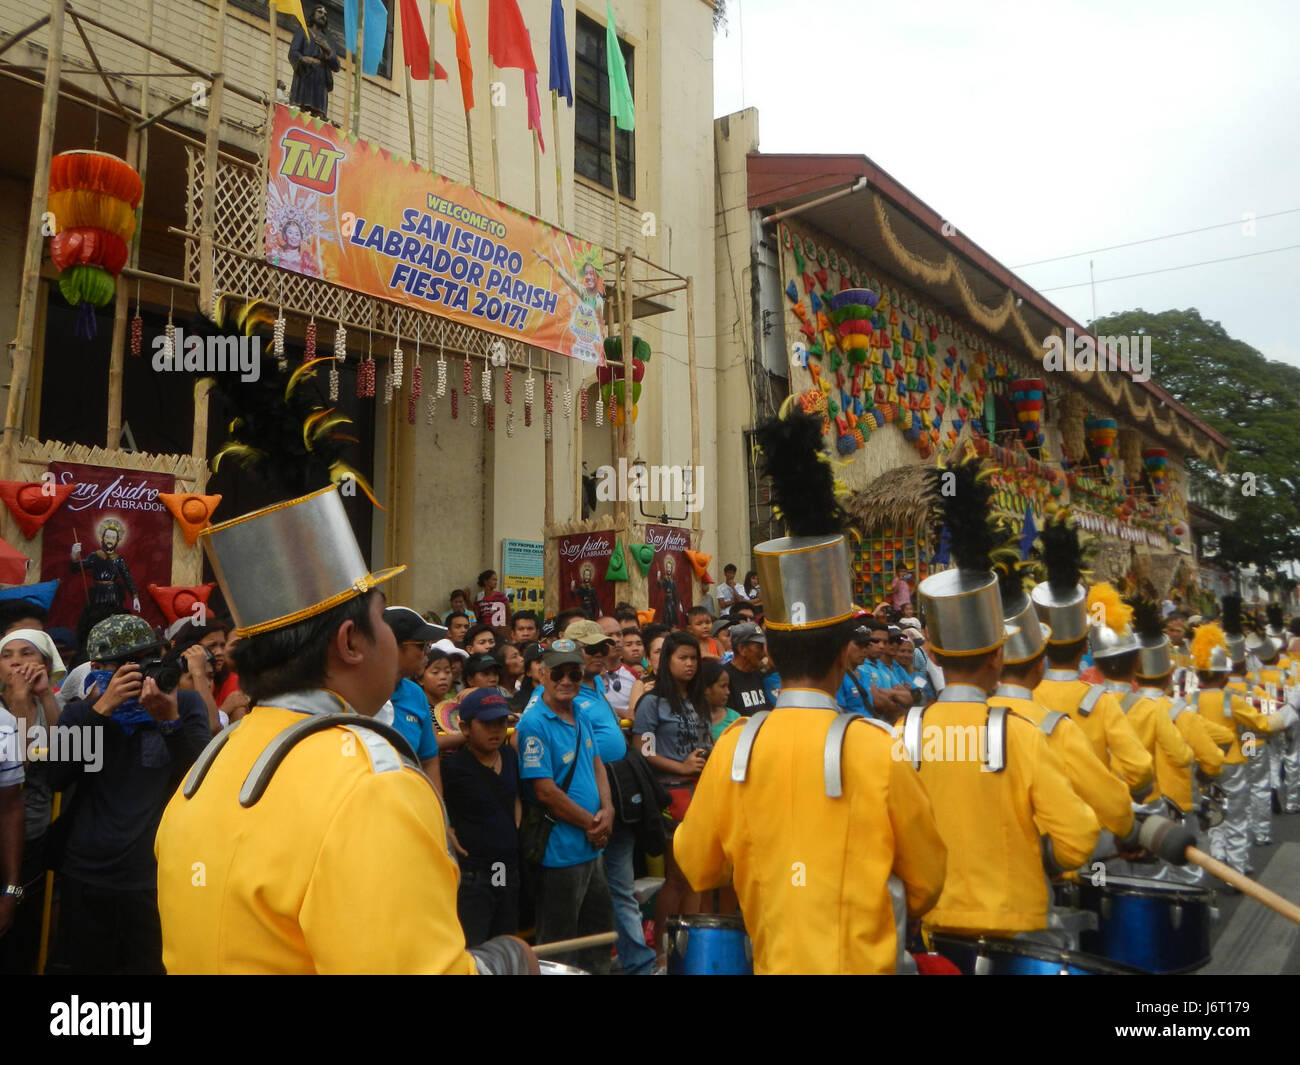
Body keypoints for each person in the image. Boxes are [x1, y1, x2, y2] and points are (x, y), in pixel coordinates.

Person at [155, 487, 533, 975]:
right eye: (382, 622)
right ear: (350, 641)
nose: (395, 648)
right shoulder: (374, 782)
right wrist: (507, 961)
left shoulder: (212, 764)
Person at [677, 408, 946, 974]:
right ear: (848, 653)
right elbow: (927, 881)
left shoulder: (736, 749)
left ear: (770, 652)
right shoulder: (879, 749)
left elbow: (698, 867)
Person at [904, 459, 1098, 943]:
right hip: (1014, 931)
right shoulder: (1023, 736)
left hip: (936, 934)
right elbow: (1077, 839)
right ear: (997, 656)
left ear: (931, 652)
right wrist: (1036, 857)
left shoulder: (899, 735)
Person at [49, 614, 210, 974]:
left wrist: (169, 723)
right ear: (97, 668)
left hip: (155, 876)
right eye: (121, 663)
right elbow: (56, 778)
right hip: (87, 872)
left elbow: (201, 783)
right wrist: (102, 710)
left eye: (143, 659)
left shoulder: (185, 705)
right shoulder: (79, 714)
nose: (133, 670)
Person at [1031, 520, 1155, 801]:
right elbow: (1139, 767)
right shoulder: (1101, 701)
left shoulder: (1022, 700)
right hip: (1096, 822)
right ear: (1083, 647)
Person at [516, 638, 615, 975]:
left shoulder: (580, 713)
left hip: (592, 849)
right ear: (542, 674)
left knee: (598, 940)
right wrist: (593, 824)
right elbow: (545, 792)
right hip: (561, 853)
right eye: (558, 673)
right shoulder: (534, 723)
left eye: (574, 673)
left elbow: (597, 762)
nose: (566, 681)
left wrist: (609, 809)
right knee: (559, 950)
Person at [633, 630, 711, 963]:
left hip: (701, 793)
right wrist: (681, 766)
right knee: (677, 876)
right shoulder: (651, 702)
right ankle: (663, 952)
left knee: (698, 875)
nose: (690, 664)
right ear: (667, 661)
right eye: (683, 657)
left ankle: (689, 949)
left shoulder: (698, 699)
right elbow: (642, 750)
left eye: (694, 658)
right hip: (670, 794)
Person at [1191, 623, 1290, 878]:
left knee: (1213, 810)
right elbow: (1262, 723)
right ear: (1224, 675)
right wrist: (1288, 714)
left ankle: (1218, 855)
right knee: (1237, 816)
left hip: (1203, 763)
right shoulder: (1232, 698)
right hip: (1233, 764)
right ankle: (1236, 871)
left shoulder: (1190, 700)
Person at [0, 628, 66, 973]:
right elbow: (18, 763)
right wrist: (19, 702)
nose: (16, 662)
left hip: (38, 835)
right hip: (5, 834)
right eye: (7, 655)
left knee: (28, 939)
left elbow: (68, 759)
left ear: (45, 662)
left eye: (27, 654)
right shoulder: (4, 707)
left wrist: (45, 697)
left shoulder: (57, 702)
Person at [441, 689, 521, 947]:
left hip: (507, 868)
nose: (496, 730)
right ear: (465, 727)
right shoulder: (453, 768)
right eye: (486, 724)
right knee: (475, 946)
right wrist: (447, 828)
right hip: (473, 874)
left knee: (505, 942)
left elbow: (516, 797)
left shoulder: (509, 757)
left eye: (501, 723)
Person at [380, 606, 445, 787]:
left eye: (428, 646)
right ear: (392, 645)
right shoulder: (357, 694)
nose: (427, 653)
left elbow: (429, 761)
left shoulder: (415, 694)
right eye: (421, 645)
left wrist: (436, 810)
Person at [70, 520, 140, 614]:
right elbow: (77, 568)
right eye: (107, 537)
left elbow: (128, 578)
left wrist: (135, 597)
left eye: (113, 538)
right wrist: (74, 555)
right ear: (103, 539)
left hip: (113, 595)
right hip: (97, 594)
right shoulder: (95, 556)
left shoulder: (119, 560)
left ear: (117, 540)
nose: (110, 540)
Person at [288, 4, 340, 120]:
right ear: (313, 15)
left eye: (325, 14)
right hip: (305, 75)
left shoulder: (328, 41)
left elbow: (336, 66)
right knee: (299, 112)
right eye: (320, 12)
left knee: (317, 117)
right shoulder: (302, 32)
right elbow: (293, 52)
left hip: (320, 82)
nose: (323, 16)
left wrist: (328, 50)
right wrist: (302, 58)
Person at [725, 622, 773, 717]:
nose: (764, 653)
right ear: (742, 649)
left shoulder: (761, 675)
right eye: (759, 647)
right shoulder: (725, 678)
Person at [627, 629, 666, 716]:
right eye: (657, 652)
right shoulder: (641, 685)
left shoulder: (680, 680)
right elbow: (633, 716)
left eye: (666, 650)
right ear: (648, 659)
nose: (663, 654)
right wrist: (644, 697)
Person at [700, 658, 739, 740]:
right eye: (723, 686)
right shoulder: (691, 721)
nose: (728, 692)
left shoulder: (735, 719)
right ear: (706, 688)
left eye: (728, 686)